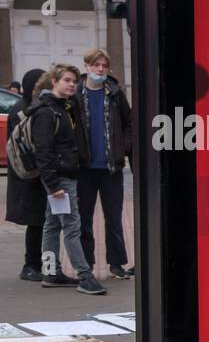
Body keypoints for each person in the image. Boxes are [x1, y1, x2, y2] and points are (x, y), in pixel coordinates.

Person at [32, 65, 106, 295]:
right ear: (53, 82)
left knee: (52, 225)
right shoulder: (47, 112)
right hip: (60, 179)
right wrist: (53, 185)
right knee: (72, 226)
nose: (72, 84)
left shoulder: (63, 107)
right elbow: (42, 151)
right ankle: (85, 275)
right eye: (66, 80)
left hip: (63, 176)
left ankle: (51, 273)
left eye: (74, 80)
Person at [75, 48, 133, 278]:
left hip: (110, 167)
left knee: (114, 217)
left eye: (104, 66)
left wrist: (123, 147)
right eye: (95, 65)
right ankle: (85, 264)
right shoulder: (77, 94)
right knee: (84, 219)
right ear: (87, 66)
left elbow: (129, 122)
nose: (100, 69)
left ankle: (116, 263)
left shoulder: (115, 93)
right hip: (84, 168)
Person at [6, 68, 53, 282]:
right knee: (36, 221)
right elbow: (23, 145)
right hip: (29, 175)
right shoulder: (22, 110)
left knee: (41, 221)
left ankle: (39, 263)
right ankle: (30, 265)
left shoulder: (31, 107)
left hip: (34, 175)